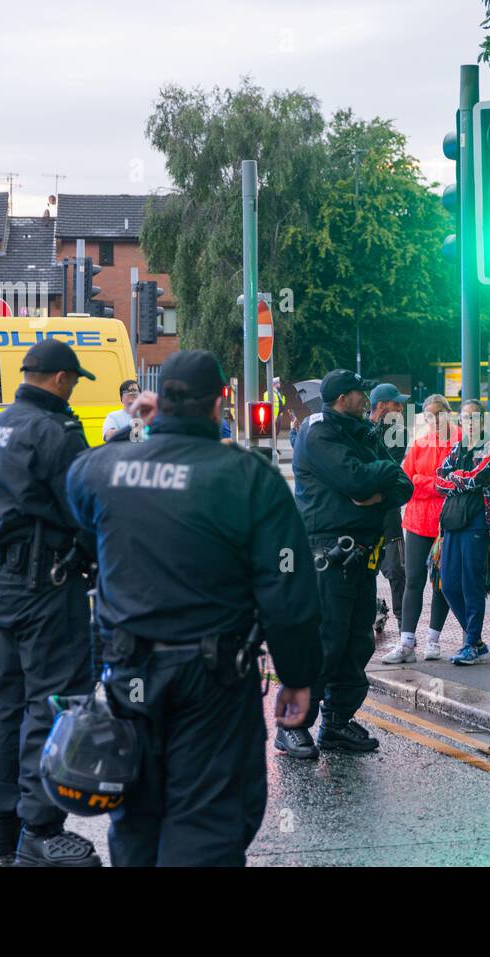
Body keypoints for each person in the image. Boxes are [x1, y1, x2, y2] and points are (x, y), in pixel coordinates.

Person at [67, 351, 322, 866]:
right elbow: (287, 590)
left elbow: (80, 510)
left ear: (155, 403)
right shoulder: (250, 478)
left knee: (137, 813)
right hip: (214, 679)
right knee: (208, 818)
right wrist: (297, 675)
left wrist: (135, 436)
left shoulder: (103, 469)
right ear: (220, 402)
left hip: (129, 673)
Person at [0, 339, 100, 867]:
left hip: (0, 584)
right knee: (52, 699)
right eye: (73, 381)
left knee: (9, 698)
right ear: (62, 378)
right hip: (48, 584)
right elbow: (84, 506)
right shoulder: (57, 430)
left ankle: (1, 826)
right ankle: (41, 829)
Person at [282, 369, 413, 759]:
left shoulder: (361, 430)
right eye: (360, 392)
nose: (366, 398)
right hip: (326, 552)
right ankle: (292, 725)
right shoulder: (318, 432)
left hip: (360, 553)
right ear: (343, 398)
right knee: (323, 643)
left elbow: (402, 483)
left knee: (356, 643)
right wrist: (379, 481)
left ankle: (337, 723)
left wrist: (381, 483)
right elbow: (356, 481)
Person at [381, 395, 457, 664]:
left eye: (438, 414)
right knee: (413, 580)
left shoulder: (460, 442)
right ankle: (406, 643)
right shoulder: (420, 442)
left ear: (449, 414)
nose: (434, 420)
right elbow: (406, 479)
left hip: (446, 523)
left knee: (441, 583)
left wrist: (425, 482)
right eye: (428, 416)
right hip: (416, 521)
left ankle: (433, 640)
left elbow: (455, 483)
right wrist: (433, 483)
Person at [435, 399, 490, 666]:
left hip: (478, 522)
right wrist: (460, 479)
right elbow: (438, 479)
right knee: (449, 585)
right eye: (465, 419)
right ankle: (477, 642)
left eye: (475, 418)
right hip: (453, 522)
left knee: (471, 585)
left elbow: (477, 477)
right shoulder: (457, 447)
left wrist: (458, 478)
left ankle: (469, 643)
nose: (470, 423)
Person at [367, 382, 410, 638]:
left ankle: (405, 625)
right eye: (396, 403)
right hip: (364, 516)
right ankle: (373, 609)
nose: (401, 407)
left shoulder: (398, 432)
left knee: (395, 568)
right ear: (381, 405)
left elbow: (386, 467)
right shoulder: (361, 426)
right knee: (365, 568)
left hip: (388, 512)